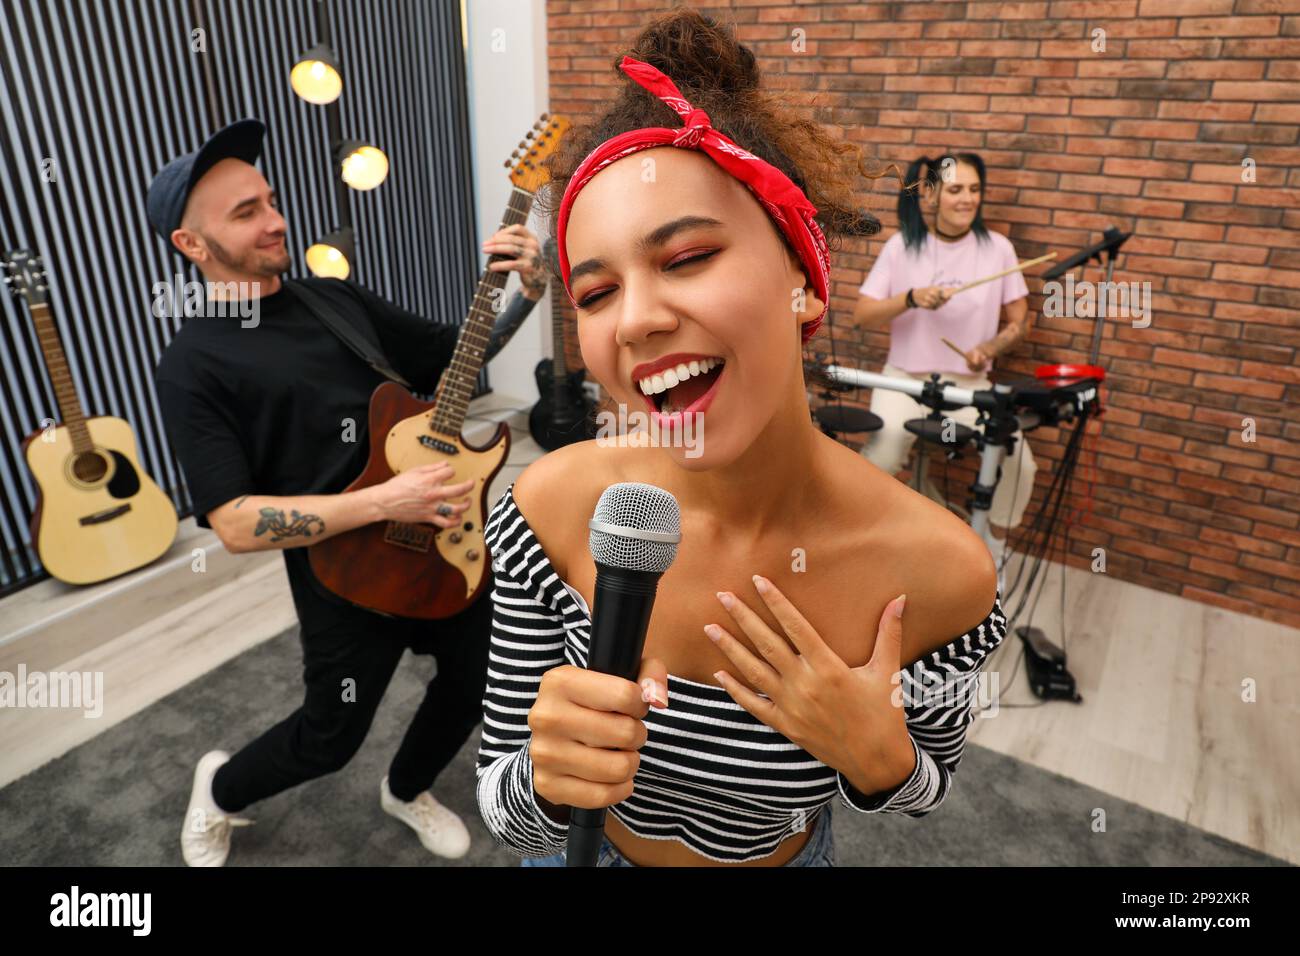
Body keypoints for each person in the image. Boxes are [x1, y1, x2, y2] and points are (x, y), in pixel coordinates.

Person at [474, 10, 1007, 868]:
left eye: (685, 258)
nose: (638, 320)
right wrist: (546, 776)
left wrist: (887, 762)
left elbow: (930, 783)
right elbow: (505, 805)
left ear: (801, 273)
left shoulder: (944, 570)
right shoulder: (549, 508)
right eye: (597, 294)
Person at [148, 118, 545, 866]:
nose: (275, 220)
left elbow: (459, 352)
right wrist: (382, 505)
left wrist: (529, 287)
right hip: (342, 575)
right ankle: (222, 790)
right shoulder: (192, 366)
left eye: (270, 200)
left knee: (477, 683)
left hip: (448, 541)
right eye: (246, 213)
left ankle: (406, 788)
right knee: (330, 738)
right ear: (190, 245)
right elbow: (233, 522)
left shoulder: (331, 299)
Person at [852, 152, 1038, 531]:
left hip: (969, 387)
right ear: (931, 196)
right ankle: (863, 535)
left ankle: (993, 541)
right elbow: (862, 316)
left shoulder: (998, 249)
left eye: (975, 189)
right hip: (903, 381)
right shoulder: (902, 245)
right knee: (881, 460)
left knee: (1021, 463)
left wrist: (990, 349)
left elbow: (1021, 322)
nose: (968, 198)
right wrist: (911, 298)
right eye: (956, 189)